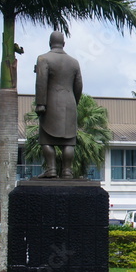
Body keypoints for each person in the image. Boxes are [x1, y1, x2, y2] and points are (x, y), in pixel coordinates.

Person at [34, 31, 83, 178]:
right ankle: (67, 170)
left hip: (51, 103)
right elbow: (79, 85)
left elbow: (41, 83)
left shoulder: (43, 59)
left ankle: (51, 169)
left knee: (46, 139)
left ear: (50, 43)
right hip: (70, 103)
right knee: (69, 141)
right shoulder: (74, 62)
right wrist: (74, 101)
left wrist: (40, 103)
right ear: (64, 43)